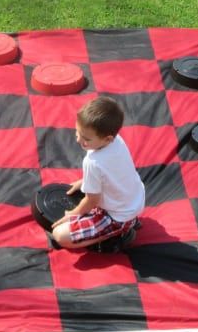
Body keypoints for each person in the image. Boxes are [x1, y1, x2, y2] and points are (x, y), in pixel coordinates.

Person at [51, 96, 145, 252]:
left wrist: (73, 215)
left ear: (107, 138)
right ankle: (127, 223)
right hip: (134, 203)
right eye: (77, 132)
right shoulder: (117, 140)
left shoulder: (93, 162)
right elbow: (113, 172)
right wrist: (84, 181)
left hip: (117, 218)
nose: (79, 140)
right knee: (81, 191)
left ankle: (119, 235)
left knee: (59, 236)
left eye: (86, 138)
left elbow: (92, 200)